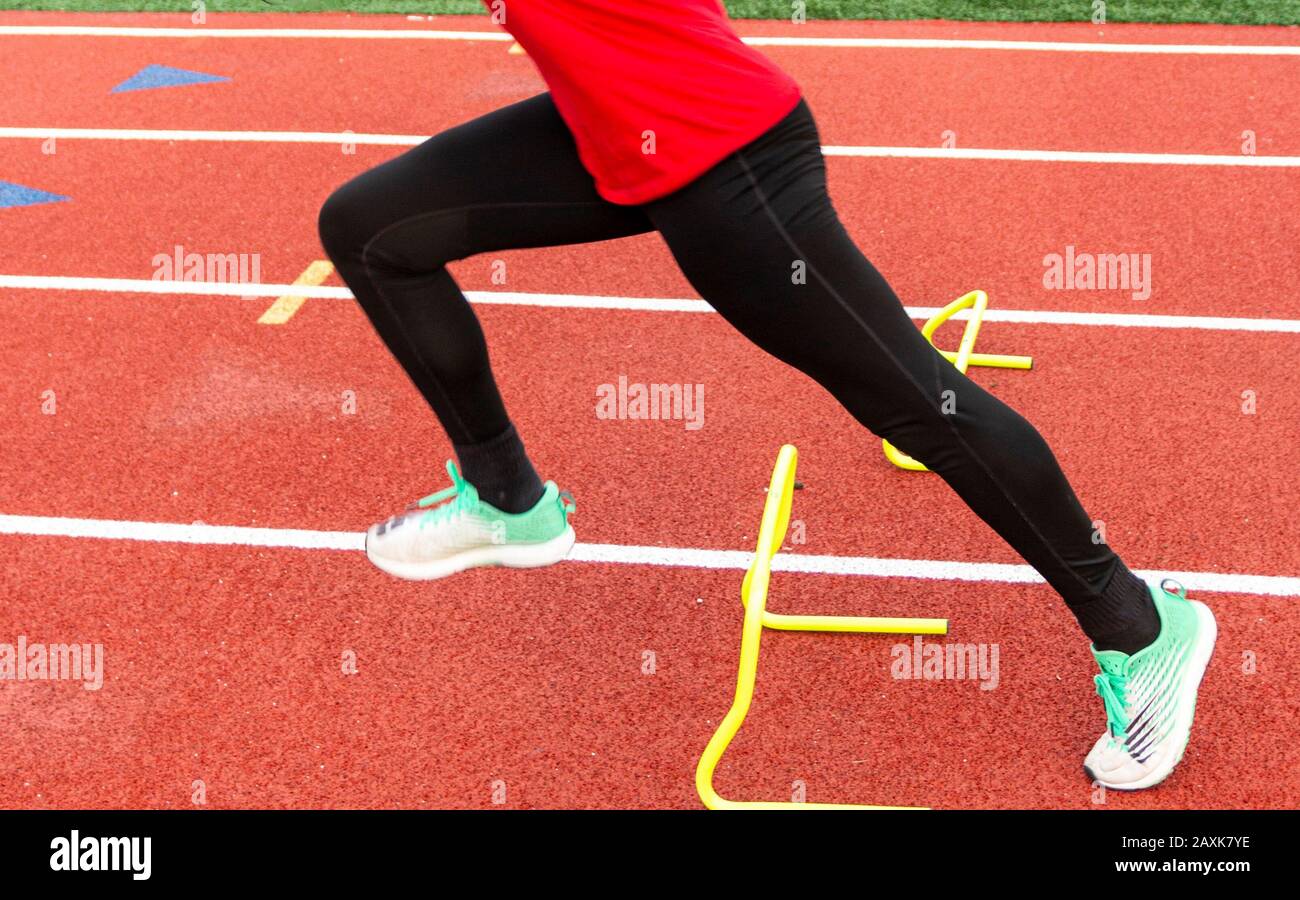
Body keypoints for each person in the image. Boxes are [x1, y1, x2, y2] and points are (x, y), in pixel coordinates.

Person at [317, 0, 1215, 791]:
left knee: (922, 406)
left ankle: (1141, 627)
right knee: (370, 229)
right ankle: (510, 501)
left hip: (727, 159)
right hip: (620, 134)